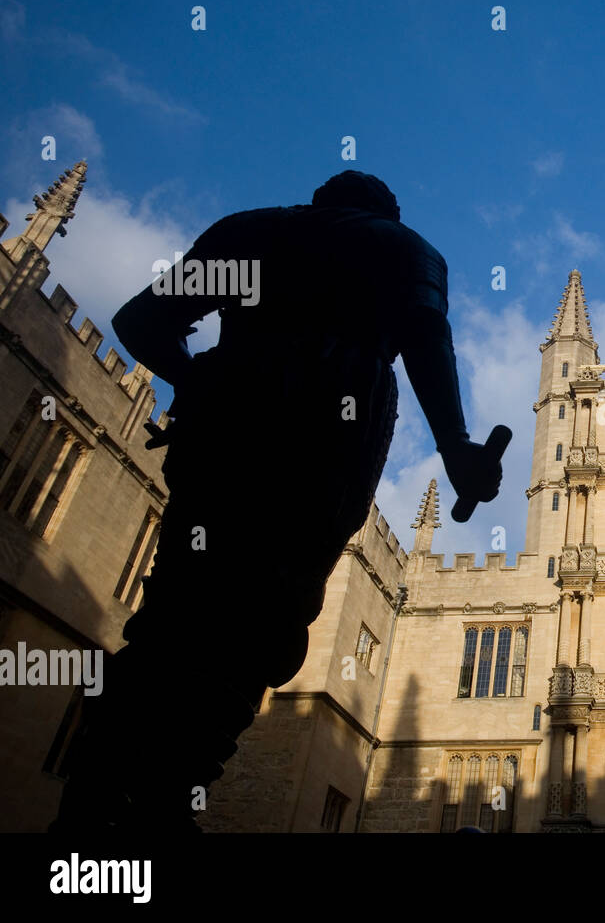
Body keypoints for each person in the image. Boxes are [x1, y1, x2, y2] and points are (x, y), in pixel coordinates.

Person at [51, 171, 503, 832]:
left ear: (318, 201)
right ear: (389, 211)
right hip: (326, 446)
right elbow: (426, 339)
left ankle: (97, 798)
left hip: (226, 439)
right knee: (265, 621)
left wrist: (198, 375)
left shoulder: (251, 229)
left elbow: (141, 320)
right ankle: (167, 796)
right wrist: (456, 446)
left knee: (176, 611)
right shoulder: (405, 247)